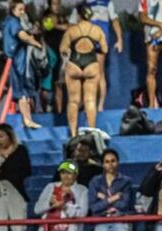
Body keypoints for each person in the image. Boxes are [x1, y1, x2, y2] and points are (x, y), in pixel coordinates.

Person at [61, 4, 108, 136]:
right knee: (90, 100)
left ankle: (73, 133)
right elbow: (105, 49)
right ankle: (91, 131)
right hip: (91, 64)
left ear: (78, 15)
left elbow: (63, 49)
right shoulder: (97, 30)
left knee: (73, 100)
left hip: (74, 63)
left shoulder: (72, 30)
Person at [68, 0, 123, 112]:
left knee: (99, 73)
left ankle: (100, 106)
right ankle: (84, 103)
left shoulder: (107, 3)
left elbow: (115, 21)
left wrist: (120, 39)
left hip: (99, 42)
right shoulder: (80, 5)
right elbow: (71, 25)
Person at [3, 0, 44, 129]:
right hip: (17, 61)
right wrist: (35, 43)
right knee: (21, 93)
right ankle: (26, 119)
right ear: (13, 10)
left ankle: (28, 118)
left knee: (25, 94)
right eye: (20, 10)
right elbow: (21, 35)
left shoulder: (15, 22)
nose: (22, 12)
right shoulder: (13, 22)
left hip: (21, 61)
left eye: (23, 10)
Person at [41, 0, 70, 114]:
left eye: (58, 4)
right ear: (50, 5)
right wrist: (54, 25)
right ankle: (44, 111)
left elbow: (68, 27)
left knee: (59, 84)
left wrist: (56, 25)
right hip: (49, 53)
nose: (57, 6)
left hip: (60, 53)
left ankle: (59, 111)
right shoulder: (46, 15)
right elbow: (47, 26)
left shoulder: (62, 16)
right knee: (46, 85)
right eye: (54, 4)